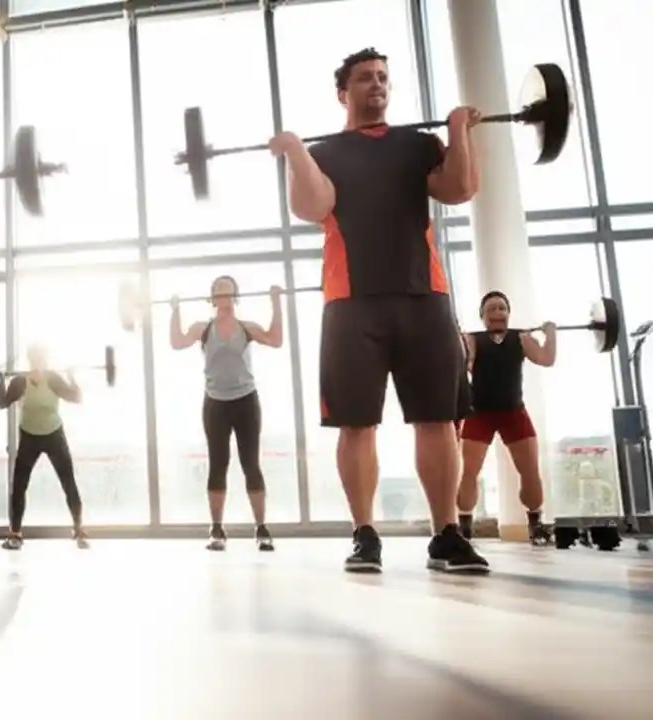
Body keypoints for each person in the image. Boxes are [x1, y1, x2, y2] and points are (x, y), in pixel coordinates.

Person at [280, 47, 489, 573]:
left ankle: (446, 533)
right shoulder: (326, 153)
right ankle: (364, 534)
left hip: (424, 296)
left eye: (383, 78)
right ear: (342, 92)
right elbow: (313, 206)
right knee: (356, 425)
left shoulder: (418, 145)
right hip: (351, 303)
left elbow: (459, 189)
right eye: (365, 78)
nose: (377, 85)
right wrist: (295, 152)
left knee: (439, 419)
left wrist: (459, 130)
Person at [169, 279, 284, 552]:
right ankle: (217, 528)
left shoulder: (246, 327)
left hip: (246, 402)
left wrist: (276, 302)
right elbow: (177, 342)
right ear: (213, 297)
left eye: (228, 287)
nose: (224, 292)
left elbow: (275, 340)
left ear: (235, 296)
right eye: (218, 288)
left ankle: (261, 527)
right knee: (217, 464)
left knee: (250, 465)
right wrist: (175, 310)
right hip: (215, 405)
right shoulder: (204, 328)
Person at [458, 291, 555, 546]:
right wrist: (459, 344)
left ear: (508, 314)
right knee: (468, 472)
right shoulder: (473, 339)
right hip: (479, 413)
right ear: (483, 316)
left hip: (513, 412)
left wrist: (550, 334)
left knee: (530, 472)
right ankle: (464, 528)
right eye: (491, 309)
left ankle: (535, 524)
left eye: (502, 308)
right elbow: (465, 364)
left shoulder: (521, 338)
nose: (497, 313)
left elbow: (546, 359)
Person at [0, 343, 89, 550]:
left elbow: (77, 397)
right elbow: (2, 402)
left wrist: (72, 376)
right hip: (29, 437)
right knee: (19, 486)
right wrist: (1, 381)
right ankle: (15, 534)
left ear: (45, 360)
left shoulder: (53, 378)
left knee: (68, 482)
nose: (39, 363)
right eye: (36, 359)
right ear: (30, 361)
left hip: (54, 435)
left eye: (42, 359)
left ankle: (79, 530)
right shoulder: (20, 381)